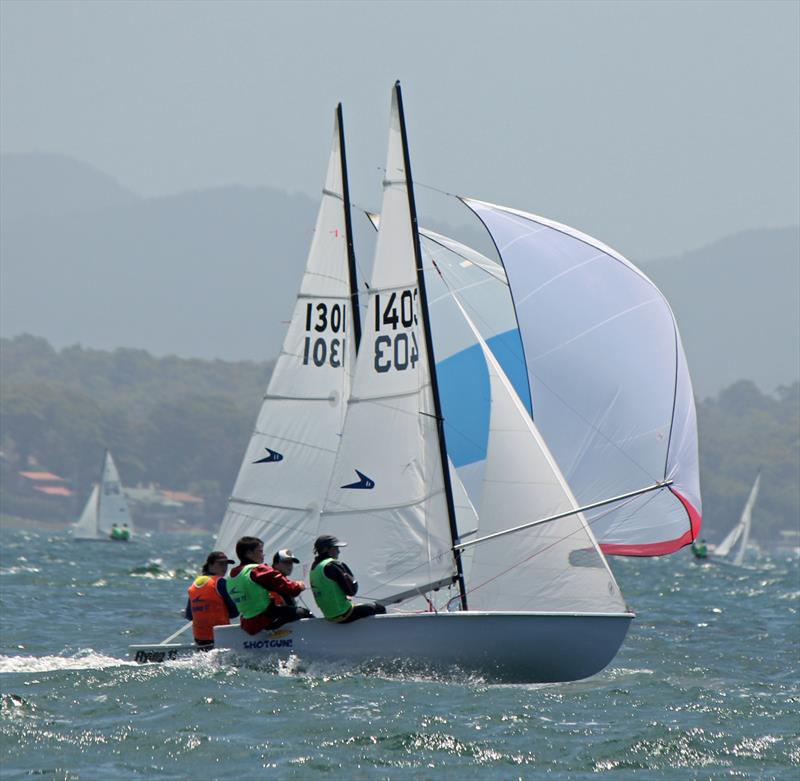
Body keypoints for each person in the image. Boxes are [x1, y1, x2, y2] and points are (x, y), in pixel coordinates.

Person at [227, 536, 310, 634]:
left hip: (247, 623)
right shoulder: (258, 570)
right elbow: (290, 590)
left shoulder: (230, 574)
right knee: (304, 613)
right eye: (260, 551)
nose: (263, 555)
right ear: (249, 553)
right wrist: (299, 585)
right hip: (266, 620)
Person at [310, 534, 386, 623]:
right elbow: (352, 591)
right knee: (379, 608)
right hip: (344, 614)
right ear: (326, 549)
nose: (339, 551)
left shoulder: (314, 568)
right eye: (336, 548)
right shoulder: (332, 565)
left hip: (329, 616)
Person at [185, 551, 239, 647]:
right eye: (221, 564)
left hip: (199, 640)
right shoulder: (221, 582)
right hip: (220, 638)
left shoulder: (194, 584)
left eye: (226, 564)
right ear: (210, 565)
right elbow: (234, 612)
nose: (224, 567)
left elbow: (189, 615)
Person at [270, 549, 313, 615]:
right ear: (276, 564)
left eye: (291, 563)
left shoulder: (280, 578)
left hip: (283, 616)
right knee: (306, 614)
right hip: (277, 617)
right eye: (286, 562)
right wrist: (298, 586)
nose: (290, 565)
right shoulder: (272, 578)